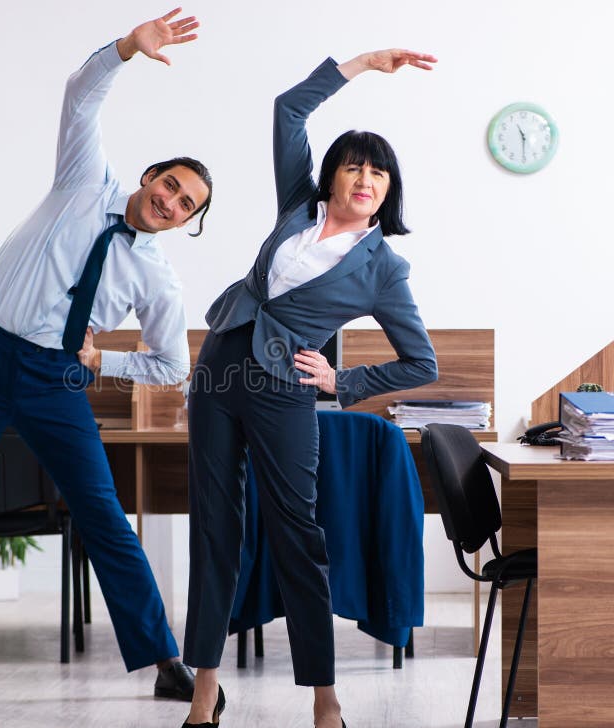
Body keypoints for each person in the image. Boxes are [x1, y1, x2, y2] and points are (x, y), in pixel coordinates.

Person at [0, 8, 225, 716]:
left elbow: (170, 366)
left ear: (187, 222)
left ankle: (164, 662)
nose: (170, 202)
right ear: (151, 174)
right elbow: (80, 94)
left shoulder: (158, 279)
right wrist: (128, 48)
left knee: (103, 515)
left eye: (186, 205)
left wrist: (103, 362)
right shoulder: (83, 180)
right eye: (170, 185)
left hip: (54, 378)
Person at [181, 48, 439, 727]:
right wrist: (364, 63)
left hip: (282, 390)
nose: (364, 177)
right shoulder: (299, 203)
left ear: (389, 189)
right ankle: (204, 688)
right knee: (214, 528)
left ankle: (325, 698)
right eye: (353, 165)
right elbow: (288, 110)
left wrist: (340, 379)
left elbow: (422, 363)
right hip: (218, 366)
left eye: (377, 171)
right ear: (332, 175)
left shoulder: (384, 268)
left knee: (298, 535)